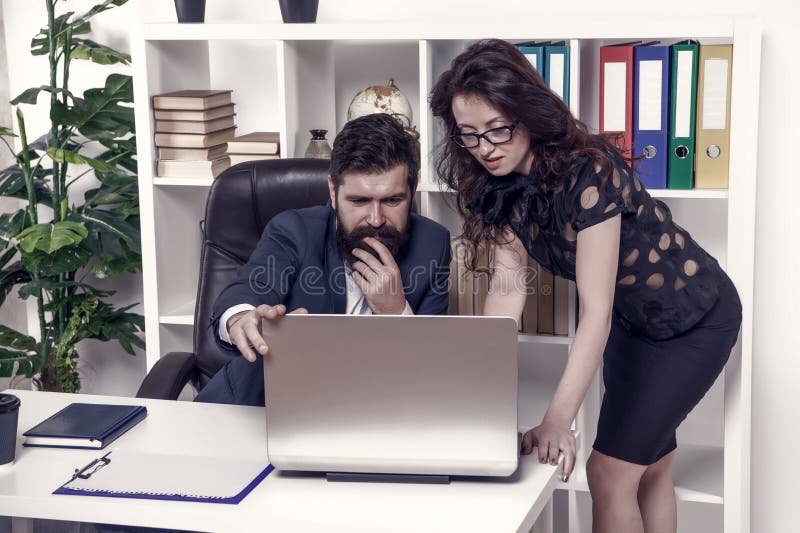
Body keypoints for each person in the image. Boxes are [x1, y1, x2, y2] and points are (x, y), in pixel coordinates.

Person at [430, 39, 741, 533]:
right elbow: (508, 290)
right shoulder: (501, 185)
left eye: (497, 130)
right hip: (630, 322)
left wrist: (557, 420)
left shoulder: (589, 172)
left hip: (692, 320)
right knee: (651, 468)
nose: (485, 148)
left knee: (608, 471)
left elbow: (594, 309)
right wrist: (480, 394)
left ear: (528, 114)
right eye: (469, 135)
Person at [195, 113, 452, 406]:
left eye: (392, 200)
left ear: (413, 189)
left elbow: (432, 370)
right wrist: (242, 319)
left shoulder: (433, 244)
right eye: (359, 201)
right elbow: (250, 287)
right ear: (333, 191)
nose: (376, 219)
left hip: (375, 416)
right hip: (264, 409)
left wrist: (397, 313)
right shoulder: (293, 231)